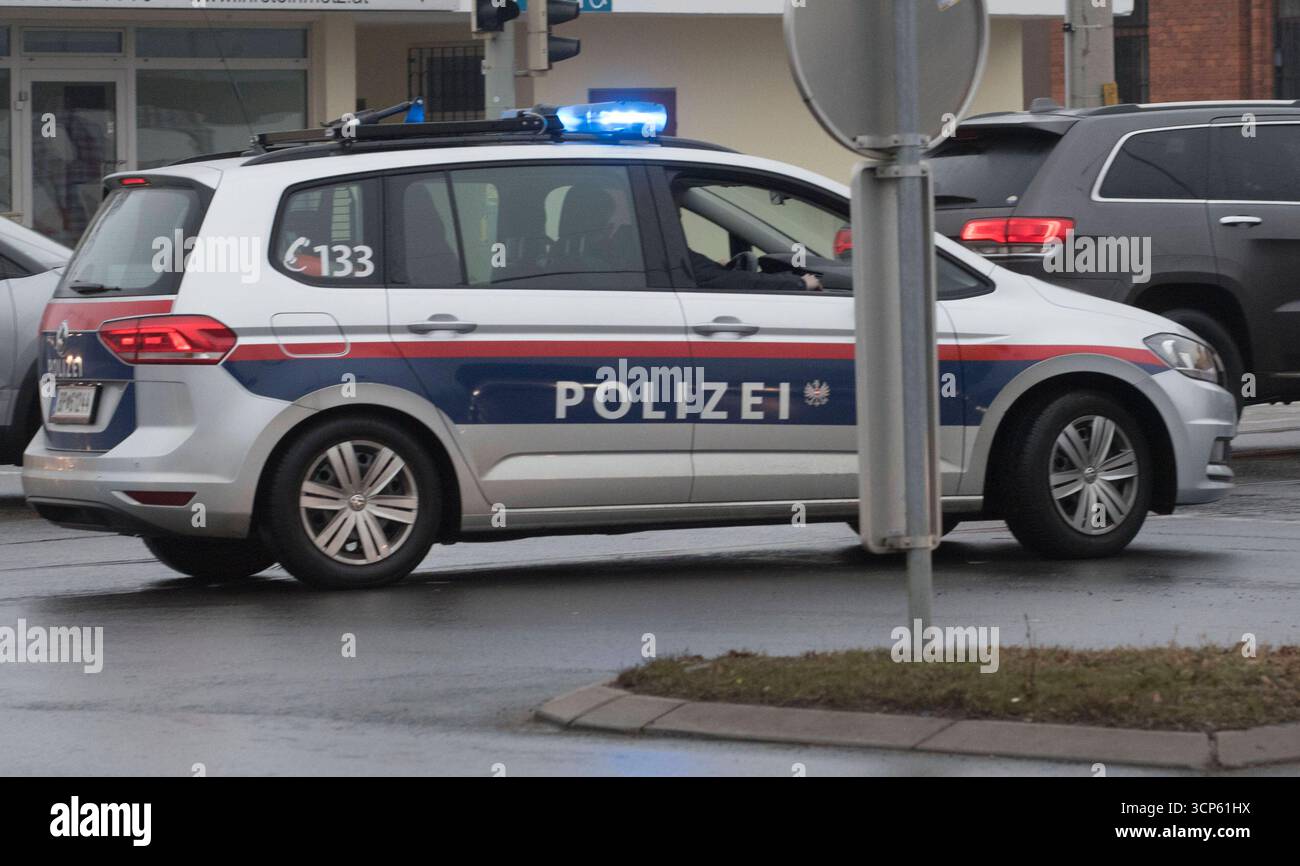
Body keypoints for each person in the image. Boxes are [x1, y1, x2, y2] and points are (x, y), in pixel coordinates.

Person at [674, 184, 823, 292]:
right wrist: (800, 283)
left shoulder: (664, 249)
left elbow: (706, 274)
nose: (678, 213)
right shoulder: (661, 248)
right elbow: (717, 279)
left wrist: (717, 268)